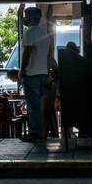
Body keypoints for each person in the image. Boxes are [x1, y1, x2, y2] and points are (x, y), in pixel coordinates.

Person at [19, 7, 54, 143]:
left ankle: (35, 132)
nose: (24, 18)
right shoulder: (43, 33)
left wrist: (22, 70)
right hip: (42, 74)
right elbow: (48, 55)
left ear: (32, 18)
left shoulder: (30, 33)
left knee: (32, 106)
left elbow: (27, 53)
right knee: (37, 105)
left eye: (26, 15)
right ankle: (39, 131)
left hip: (32, 73)